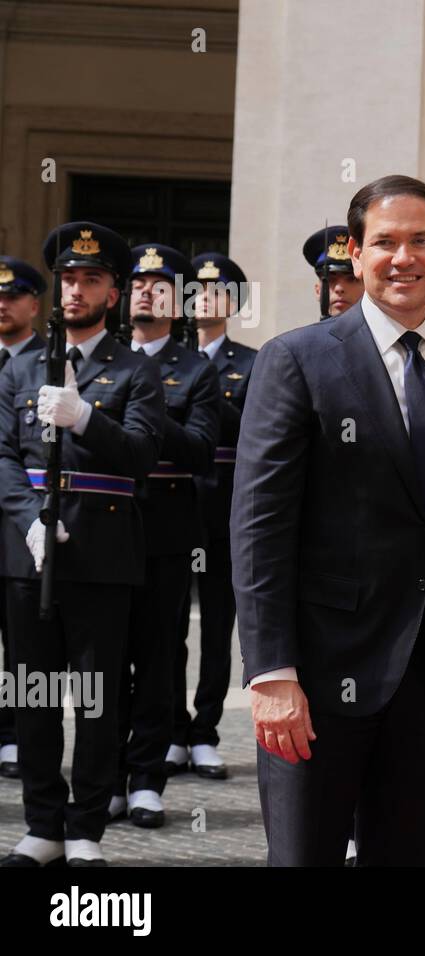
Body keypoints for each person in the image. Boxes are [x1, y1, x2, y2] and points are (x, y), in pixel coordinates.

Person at [232, 174, 425, 866]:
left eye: (420, 241)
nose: (403, 257)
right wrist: (271, 671)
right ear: (356, 251)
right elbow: (260, 527)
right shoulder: (297, 360)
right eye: (385, 242)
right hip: (315, 672)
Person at [0, 222, 164, 866]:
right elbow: (4, 456)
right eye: (68, 278)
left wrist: (86, 417)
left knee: (96, 700)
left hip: (101, 555)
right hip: (28, 552)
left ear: (113, 293)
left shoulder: (133, 372)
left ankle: (85, 828)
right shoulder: (18, 367)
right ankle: (42, 824)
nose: (75, 289)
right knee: (34, 693)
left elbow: (143, 454)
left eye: (91, 279)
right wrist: (30, 521)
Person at [108, 244, 219, 829]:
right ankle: (105, 776)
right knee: (104, 658)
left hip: (165, 530)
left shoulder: (197, 368)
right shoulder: (103, 357)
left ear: (180, 302)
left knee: (156, 657)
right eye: (139, 284)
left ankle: (146, 776)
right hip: (102, 527)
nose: (146, 293)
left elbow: (203, 450)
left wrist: (147, 411)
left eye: (160, 286)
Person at [168, 253, 256, 780]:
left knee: (218, 626)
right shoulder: (164, 360)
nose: (205, 300)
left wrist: (203, 390)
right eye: (196, 291)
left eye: (218, 292)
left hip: (224, 508)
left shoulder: (251, 362)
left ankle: (205, 730)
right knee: (167, 628)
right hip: (174, 507)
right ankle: (172, 730)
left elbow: (255, 432)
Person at [0, 257, 47, 780]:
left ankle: (13, 731)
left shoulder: (45, 361)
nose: (2, 304)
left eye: (14, 295)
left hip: (21, 522)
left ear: (34, 304)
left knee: (23, 644)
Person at [303, 225, 363, 318]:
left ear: (365, 288)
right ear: (318, 290)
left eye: (351, 279)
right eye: (330, 280)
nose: (339, 288)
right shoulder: (305, 333)